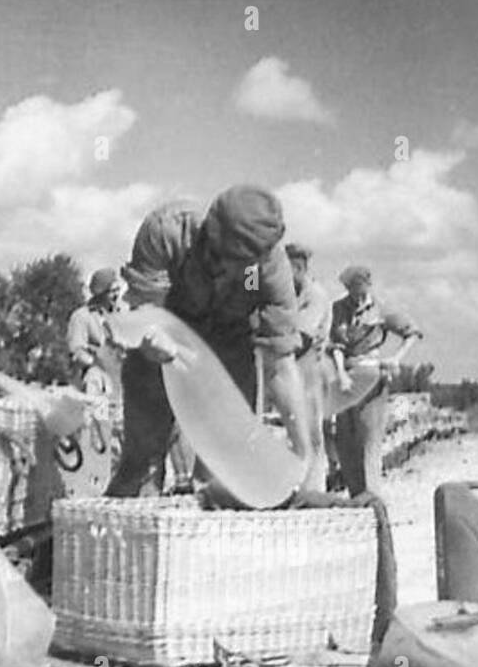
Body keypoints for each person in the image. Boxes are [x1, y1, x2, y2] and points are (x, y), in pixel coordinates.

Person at [103, 185, 316, 499]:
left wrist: (303, 447)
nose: (231, 268)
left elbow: (280, 365)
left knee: (224, 478)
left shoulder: (267, 271)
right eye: (224, 256)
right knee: (142, 469)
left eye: (243, 263)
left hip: (229, 355)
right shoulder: (168, 231)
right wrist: (157, 339)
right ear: (210, 234)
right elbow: (142, 313)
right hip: (162, 345)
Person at [328, 265, 423, 497]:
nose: (355, 292)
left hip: (372, 377)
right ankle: (355, 496)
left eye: (359, 286)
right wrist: (340, 374)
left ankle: (373, 499)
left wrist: (396, 359)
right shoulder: (338, 309)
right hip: (346, 379)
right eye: (350, 287)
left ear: (367, 285)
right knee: (345, 441)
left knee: (369, 441)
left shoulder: (381, 308)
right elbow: (336, 346)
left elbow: (412, 333)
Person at [285, 242, 331, 492]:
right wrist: (253, 268)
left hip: (308, 367)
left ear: (298, 268)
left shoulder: (315, 296)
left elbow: (300, 338)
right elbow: (251, 294)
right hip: (287, 368)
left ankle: (312, 488)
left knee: (309, 429)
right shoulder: (282, 292)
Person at [65, 267, 122, 395]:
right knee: (94, 378)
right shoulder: (81, 316)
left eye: (118, 290)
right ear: (100, 293)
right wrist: (98, 364)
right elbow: (76, 351)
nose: (116, 295)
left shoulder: (121, 315)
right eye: (112, 291)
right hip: (92, 374)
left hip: (119, 373)